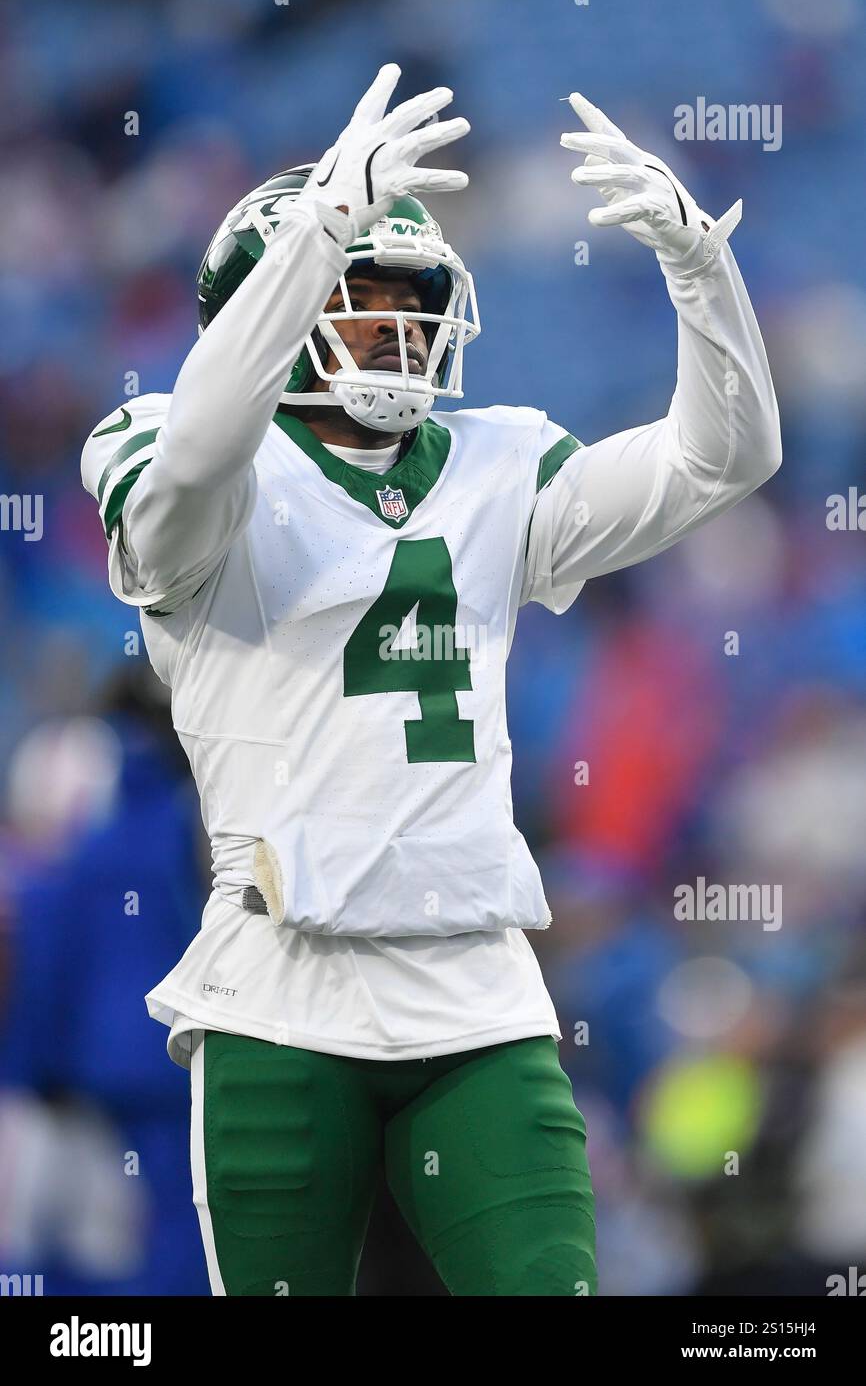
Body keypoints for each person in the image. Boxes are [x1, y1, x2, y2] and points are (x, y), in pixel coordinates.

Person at [81, 64, 781, 1295]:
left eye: (415, 301)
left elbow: (724, 458)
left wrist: (697, 271)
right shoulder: (167, 446)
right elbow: (194, 464)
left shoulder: (495, 460)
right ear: (278, 309)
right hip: (278, 988)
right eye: (362, 300)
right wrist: (314, 234)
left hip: (477, 986)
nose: (400, 332)